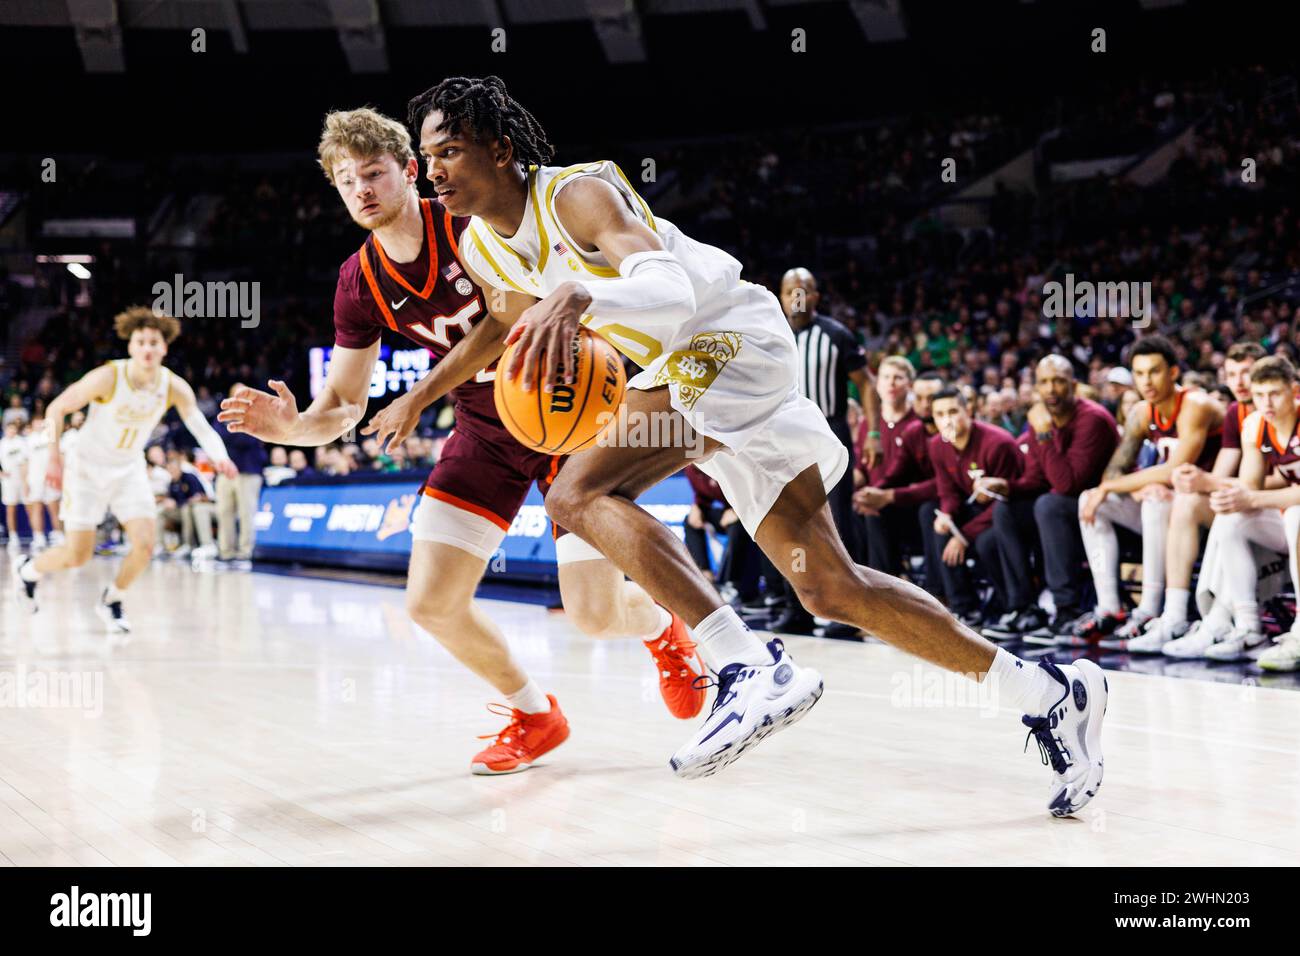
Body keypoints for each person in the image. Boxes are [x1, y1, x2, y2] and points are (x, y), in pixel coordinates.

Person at [405, 75, 1107, 815]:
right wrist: (423, 396)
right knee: (830, 587)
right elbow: (508, 326)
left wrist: (585, 295)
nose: (435, 172)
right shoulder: (484, 246)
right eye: (427, 158)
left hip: (725, 341)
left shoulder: (577, 195)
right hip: (683, 377)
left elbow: (671, 292)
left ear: (500, 147)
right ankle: (1051, 692)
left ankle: (747, 664)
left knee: (578, 492)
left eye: (448, 151)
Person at [219, 106, 700, 777]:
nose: (362, 189)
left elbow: (507, 323)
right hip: (484, 430)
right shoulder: (357, 283)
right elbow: (345, 405)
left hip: (567, 407)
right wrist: (295, 429)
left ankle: (664, 631)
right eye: (346, 180)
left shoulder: (470, 223)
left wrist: (419, 395)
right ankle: (535, 712)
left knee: (592, 614)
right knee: (430, 603)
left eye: (374, 173)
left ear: (409, 171)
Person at [13, 307, 238, 633]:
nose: (147, 348)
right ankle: (28, 571)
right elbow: (55, 408)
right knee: (77, 556)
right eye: (141, 341)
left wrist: (220, 456)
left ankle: (112, 599)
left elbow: (201, 427)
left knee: (145, 545)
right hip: (86, 469)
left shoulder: (174, 387)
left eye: (154, 342)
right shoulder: (109, 376)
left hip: (128, 469)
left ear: (164, 347)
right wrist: (53, 457)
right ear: (131, 346)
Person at [1073, 335, 1223, 648]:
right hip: (1167, 512)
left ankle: (1148, 609)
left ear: (1173, 372)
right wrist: (1133, 486)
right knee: (1091, 500)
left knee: (1155, 498)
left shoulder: (1194, 405)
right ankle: (1109, 607)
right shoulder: (1141, 412)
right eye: (1139, 373)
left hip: (1208, 507)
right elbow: (1114, 469)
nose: (1146, 381)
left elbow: (1175, 470)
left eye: (1154, 371)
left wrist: (1125, 485)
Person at [762, 267, 878, 635]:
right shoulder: (766, 333)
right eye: (790, 290)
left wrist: (872, 432)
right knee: (785, 521)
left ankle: (850, 615)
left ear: (817, 297)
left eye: (805, 290)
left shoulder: (836, 334)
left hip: (831, 431)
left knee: (838, 522)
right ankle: (794, 608)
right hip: (781, 436)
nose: (797, 297)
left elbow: (867, 384)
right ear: (780, 296)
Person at [1133, 342, 1267, 652]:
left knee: (1226, 510)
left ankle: (1223, 620)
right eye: (1232, 374)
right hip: (1250, 501)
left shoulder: (1278, 407)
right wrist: (1193, 480)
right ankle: (1174, 615)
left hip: (1277, 506)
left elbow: (1269, 480)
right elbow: (1223, 476)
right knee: (1189, 501)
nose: (1240, 381)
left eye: (1247, 372)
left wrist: (1211, 482)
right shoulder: (1236, 412)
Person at [1167, 356, 1300, 666]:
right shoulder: (1255, 424)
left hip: (1295, 516)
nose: (1266, 402)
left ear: (1294, 391)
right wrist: (1232, 496)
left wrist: (1250, 499)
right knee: (1230, 515)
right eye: (1259, 394)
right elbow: (1249, 487)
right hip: (1286, 518)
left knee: (1295, 514)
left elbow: (1256, 498)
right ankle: (1247, 626)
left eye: (1275, 394)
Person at [978, 356, 1118, 642]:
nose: (1051, 389)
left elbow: (1068, 484)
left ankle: (1066, 609)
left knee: (1048, 504)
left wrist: (1042, 435)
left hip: (1100, 509)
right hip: (1062, 510)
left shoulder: (1092, 418)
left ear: (1074, 385)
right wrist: (1006, 486)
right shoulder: (1043, 419)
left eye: (1059, 381)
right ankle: (1024, 609)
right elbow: (1036, 479)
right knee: (1007, 511)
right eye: (1044, 382)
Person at [925, 387, 1023, 628]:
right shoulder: (937, 445)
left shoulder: (997, 443)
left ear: (968, 410)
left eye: (952, 411)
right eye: (939, 414)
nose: (946, 420)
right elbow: (947, 491)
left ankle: (1008, 605)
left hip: (1008, 512)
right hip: (976, 510)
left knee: (985, 542)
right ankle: (964, 609)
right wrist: (946, 513)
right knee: (940, 528)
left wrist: (964, 536)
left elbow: (1007, 499)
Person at [854, 364, 942, 590]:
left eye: (898, 377)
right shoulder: (870, 424)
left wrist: (886, 495)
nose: (891, 383)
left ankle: (931, 593)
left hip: (918, 505)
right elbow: (882, 472)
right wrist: (866, 494)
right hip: (888, 500)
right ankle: (870, 591)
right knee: (859, 510)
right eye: (885, 377)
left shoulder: (919, 423)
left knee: (924, 510)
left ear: (909, 385)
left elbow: (940, 483)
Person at [214, 384, 268, 566]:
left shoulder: (256, 416)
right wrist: (235, 433)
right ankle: (226, 552)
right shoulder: (223, 417)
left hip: (248, 472)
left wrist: (231, 434)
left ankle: (245, 553)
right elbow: (217, 436)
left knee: (247, 513)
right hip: (226, 472)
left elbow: (248, 439)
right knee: (224, 512)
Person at [159, 454, 216, 558]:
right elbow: (172, 499)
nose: (171, 472)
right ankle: (160, 546)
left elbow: (198, 497)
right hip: (181, 510)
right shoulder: (172, 482)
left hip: (194, 508)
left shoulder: (190, 477)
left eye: (173, 469)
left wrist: (177, 503)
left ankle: (188, 545)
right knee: (161, 511)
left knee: (187, 509)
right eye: (169, 470)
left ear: (179, 468)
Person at [0, 419, 26, 553]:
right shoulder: (2, 444)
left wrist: (25, 479)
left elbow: (26, 461)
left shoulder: (22, 442)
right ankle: (13, 536)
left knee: (30, 507)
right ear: (5, 430)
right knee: (11, 509)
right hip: (8, 481)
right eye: (9, 428)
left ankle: (38, 536)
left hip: (23, 480)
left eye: (14, 429)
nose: (12, 431)